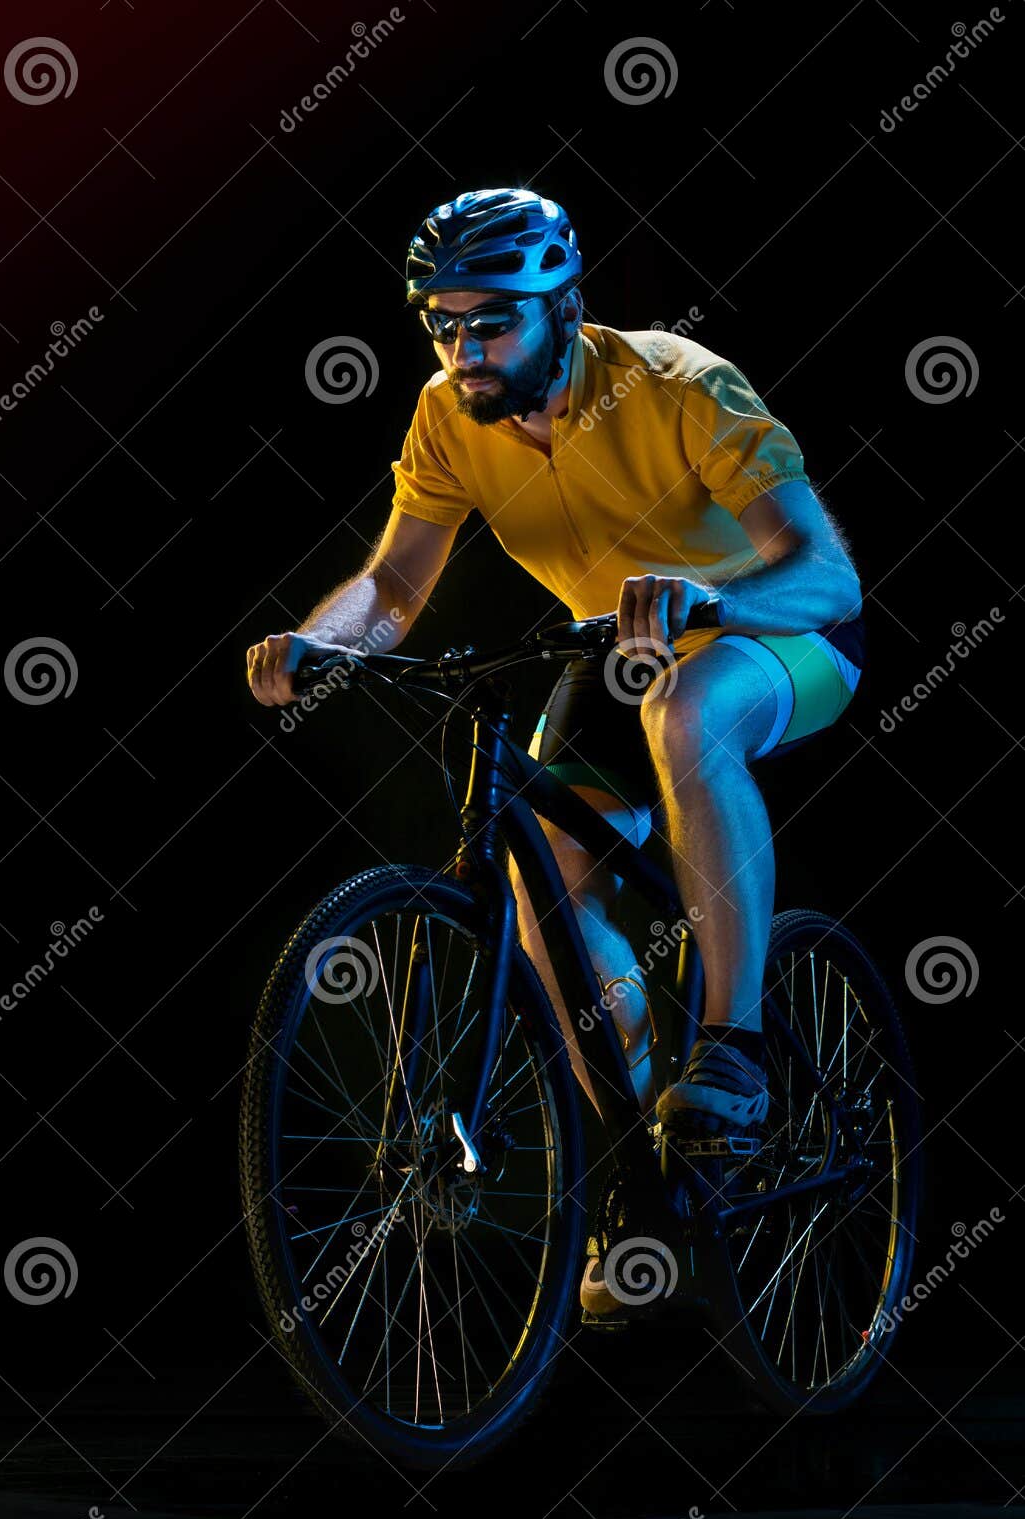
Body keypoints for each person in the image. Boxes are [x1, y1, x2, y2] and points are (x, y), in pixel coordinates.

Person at [246, 187, 864, 1316]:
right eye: (442, 325)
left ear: (565, 309)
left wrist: (708, 597)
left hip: (771, 632)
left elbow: (827, 576)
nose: (463, 351)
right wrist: (321, 640)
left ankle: (728, 1047)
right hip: (611, 651)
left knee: (686, 711)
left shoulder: (677, 384)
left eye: (492, 323)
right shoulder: (446, 415)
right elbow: (393, 587)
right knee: (543, 897)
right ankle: (639, 1173)